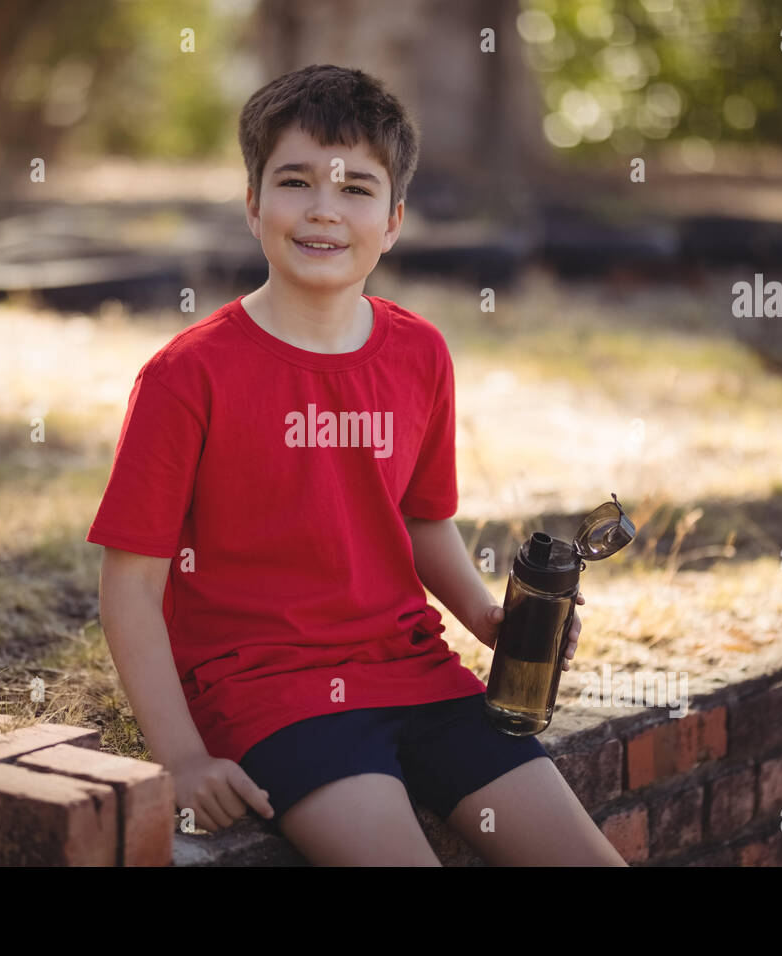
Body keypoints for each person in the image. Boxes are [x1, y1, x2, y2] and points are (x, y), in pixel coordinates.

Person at [87, 64, 626, 867]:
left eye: (355, 189)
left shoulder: (420, 353)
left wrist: (487, 620)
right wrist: (183, 754)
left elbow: (420, 522)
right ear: (253, 203)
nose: (324, 210)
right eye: (295, 181)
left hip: (419, 674)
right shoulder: (186, 377)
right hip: (269, 695)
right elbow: (129, 585)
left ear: (395, 218)